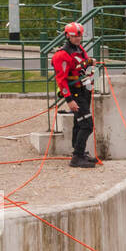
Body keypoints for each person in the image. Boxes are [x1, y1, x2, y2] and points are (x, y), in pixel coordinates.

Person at [52, 22, 97, 169]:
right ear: (67, 36)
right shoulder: (62, 55)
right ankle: (77, 157)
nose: (77, 39)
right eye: (74, 36)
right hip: (75, 93)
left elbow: (83, 66)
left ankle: (79, 153)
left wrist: (90, 63)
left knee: (79, 124)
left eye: (79, 36)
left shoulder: (80, 49)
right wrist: (69, 100)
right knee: (87, 125)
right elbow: (61, 80)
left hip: (84, 91)